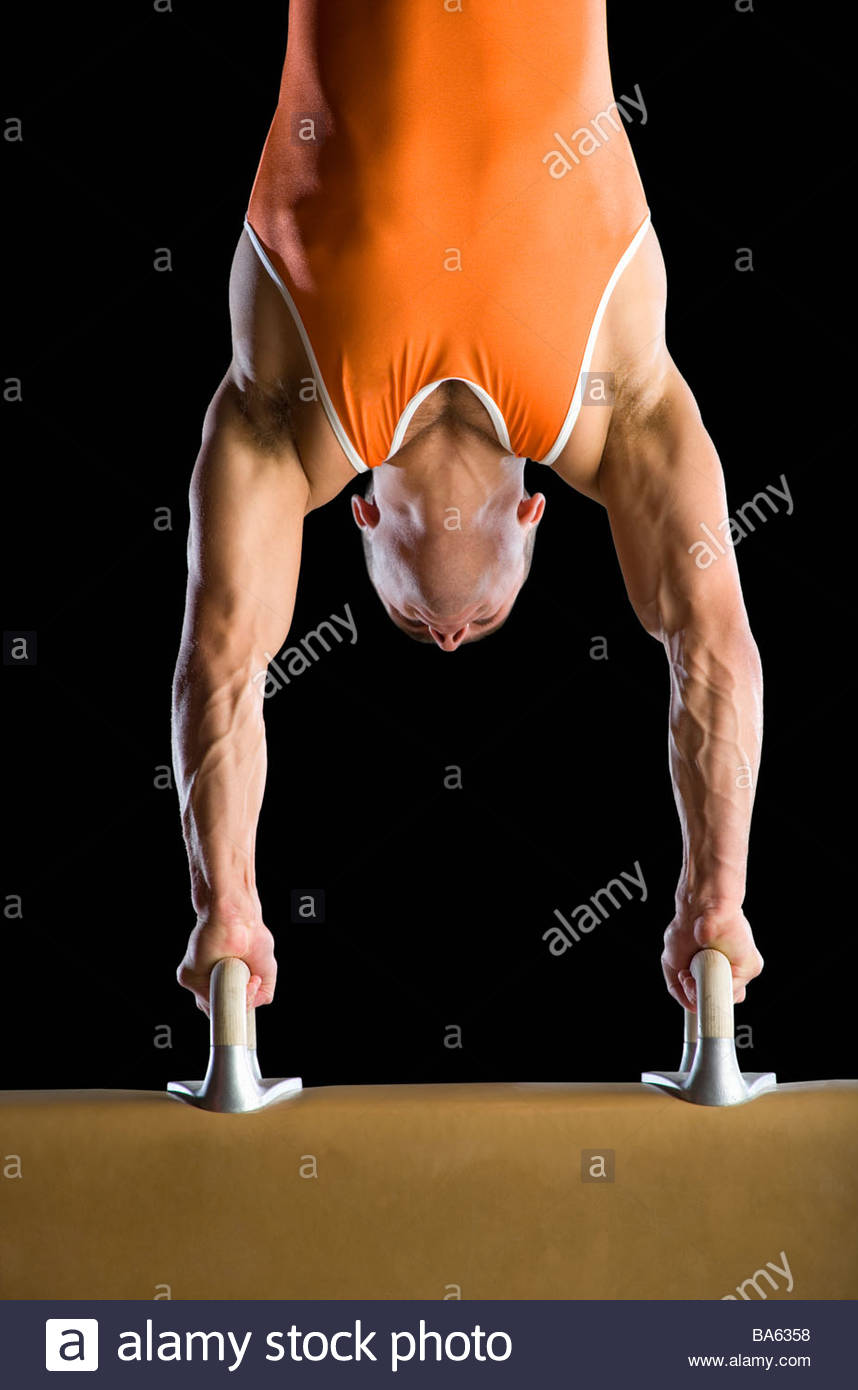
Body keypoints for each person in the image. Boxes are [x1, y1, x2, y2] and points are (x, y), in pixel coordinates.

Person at [174, 0, 764, 1025]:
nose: (448, 635)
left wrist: (227, 906)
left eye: (417, 625)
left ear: (360, 516)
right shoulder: (615, 406)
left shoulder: (291, 422)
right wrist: (714, 898)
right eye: (478, 624)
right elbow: (711, 642)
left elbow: (220, 659)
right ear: (535, 512)